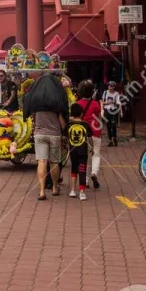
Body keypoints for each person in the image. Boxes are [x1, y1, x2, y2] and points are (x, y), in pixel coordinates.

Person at [23, 72, 69, 200]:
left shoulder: (36, 104)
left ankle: (42, 191)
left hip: (39, 135)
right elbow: (62, 123)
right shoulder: (57, 104)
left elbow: (32, 119)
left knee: (42, 162)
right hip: (54, 135)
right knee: (54, 162)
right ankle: (54, 187)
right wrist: (64, 129)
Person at [73, 79, 103, 190]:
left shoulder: (77, 104)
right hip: (95, 132)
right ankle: (94, 173)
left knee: (82, 157)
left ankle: (84, 180)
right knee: (96, 154)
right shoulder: (95, 104)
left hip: (82, 134)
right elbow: (99, 119)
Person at [66, 103, 91, 200]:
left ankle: (73, 190)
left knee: (73, 169)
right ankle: (82, 191)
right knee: (82, 169)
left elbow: (65, 137)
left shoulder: (69, 125)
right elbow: (90, 137)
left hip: (73, 151)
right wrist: (91, 147)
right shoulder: (85, 124)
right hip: (83, 151)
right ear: (81, 114)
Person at [101, 81, 123, 147]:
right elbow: (102, 102)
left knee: (113, 125)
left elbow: (119, 103)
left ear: (114, 87)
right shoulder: (105, 92)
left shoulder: (116, 94)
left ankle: (114, 138)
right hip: (107, 110)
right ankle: (110, 140)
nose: (110, 87)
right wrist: (102, 109)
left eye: (111, 86)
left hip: (114, 110)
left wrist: (121, 111)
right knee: (108, 126)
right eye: (109, 86)